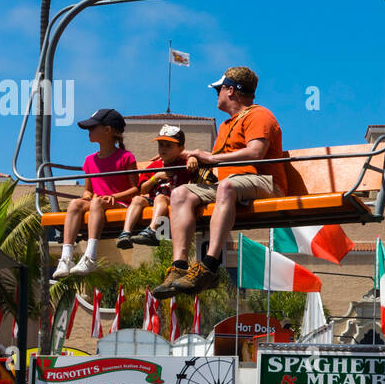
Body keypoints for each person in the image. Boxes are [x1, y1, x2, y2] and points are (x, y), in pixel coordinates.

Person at [154, 66, 284, 297]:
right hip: (229, 185)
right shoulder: (225, 125)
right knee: (180, 193)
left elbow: (256, 153)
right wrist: (192, 157)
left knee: (227, 186)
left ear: (230, 90)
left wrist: (211, 158)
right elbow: (217, 165)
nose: (217, 95)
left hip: (264, 182)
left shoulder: (259, 115)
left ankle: (208, 266)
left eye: (218, 90)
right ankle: (179, 266)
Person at [54, 109, 139, 276]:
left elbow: (136, 189)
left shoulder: (126, 157)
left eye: (92, 128)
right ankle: (66, 258)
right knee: (75, 204)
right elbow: (88, 189)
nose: (89, 131)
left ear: (108, 130)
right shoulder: (89, 160)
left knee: (96, 202)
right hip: (97, 203)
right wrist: (86, 195)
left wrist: (114, 196)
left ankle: (90, 257)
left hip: (119, 203)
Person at [117, 124, 200, 249]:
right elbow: (142, 190)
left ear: (181, 148)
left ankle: (152, 230)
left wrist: (193, 157)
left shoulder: (184, 164)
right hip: (153, 200)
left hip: (174, 200)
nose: (163, 149)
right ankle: (126, 233)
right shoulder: (154, 166)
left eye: (168, 145)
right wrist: (155, 178)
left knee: (160, 197)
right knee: (137, 200)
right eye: (161, 145)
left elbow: (204, 163)